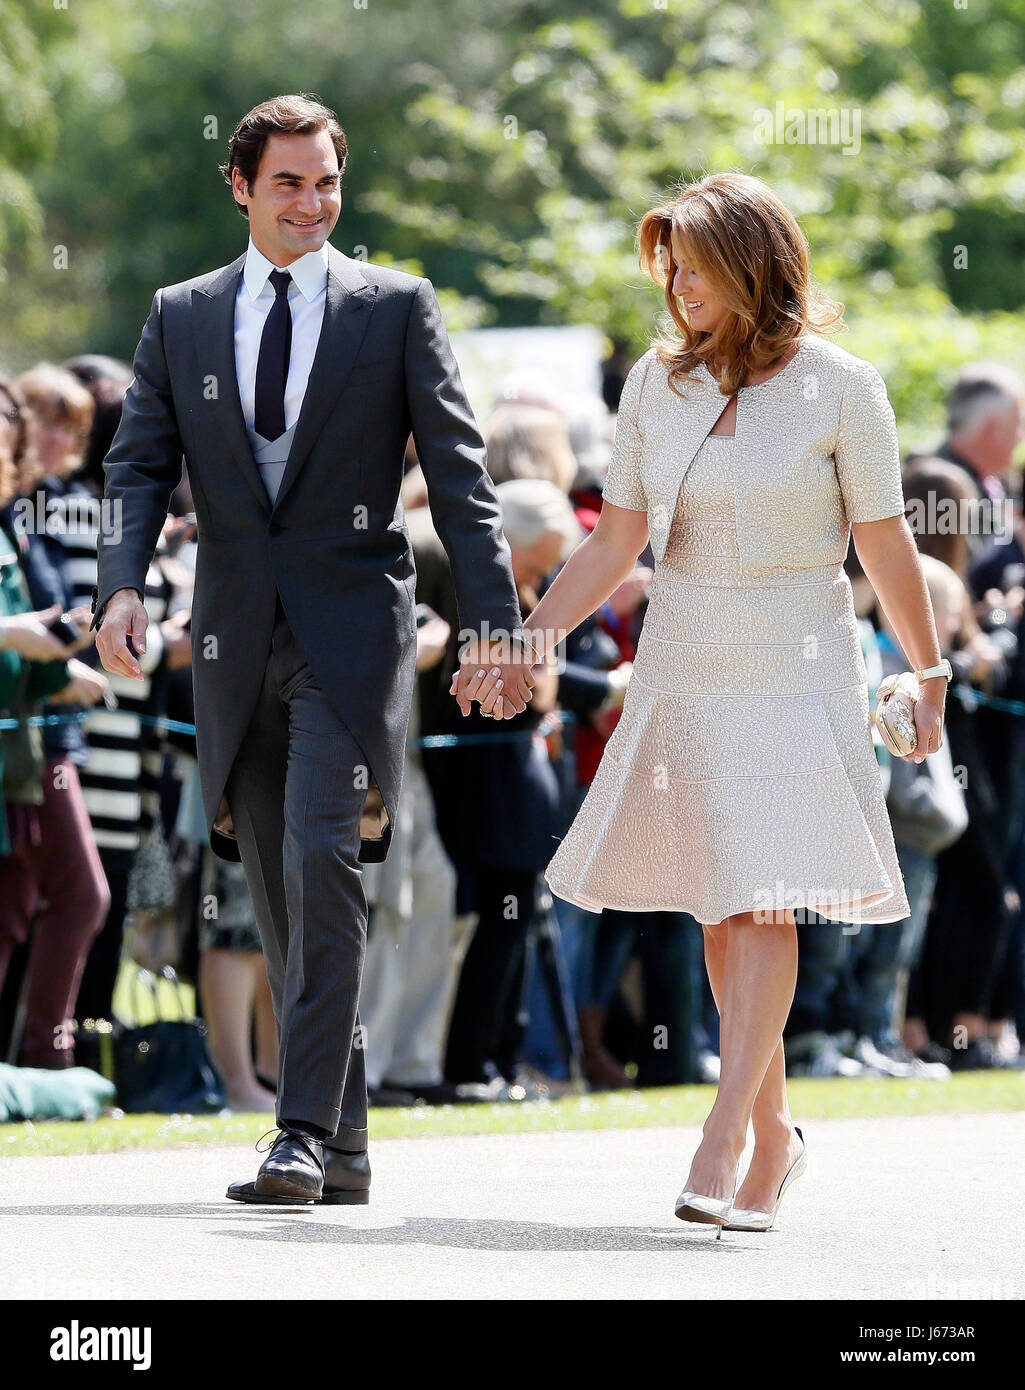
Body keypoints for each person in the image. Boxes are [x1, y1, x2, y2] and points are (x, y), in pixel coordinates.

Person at [90, 93, 534, 1205]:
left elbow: (464, 483)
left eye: (327, 181)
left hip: (352, 633)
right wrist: (117, 588)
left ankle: (294, 1129)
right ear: (240, 186)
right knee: (277, 883)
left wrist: (491, 622)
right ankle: (344, 1140)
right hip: (232, 637)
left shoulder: (395, 307)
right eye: (288, 182)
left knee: (323, 852)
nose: (311, 202)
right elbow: (136, 466)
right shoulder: (180, 314)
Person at [491, 171, 950, 1231]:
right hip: (687, 658)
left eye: (695, 265)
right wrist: (525, 644)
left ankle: (722, 1127)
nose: (679, 285)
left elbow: (883, 542)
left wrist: (926, 674)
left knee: (765, 896)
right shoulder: (655, 382)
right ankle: (776, 1132)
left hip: (799, 661)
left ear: (754, 263)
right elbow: (614, 538)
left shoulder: (846, 385)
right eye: (670, 267)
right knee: (719, 908)